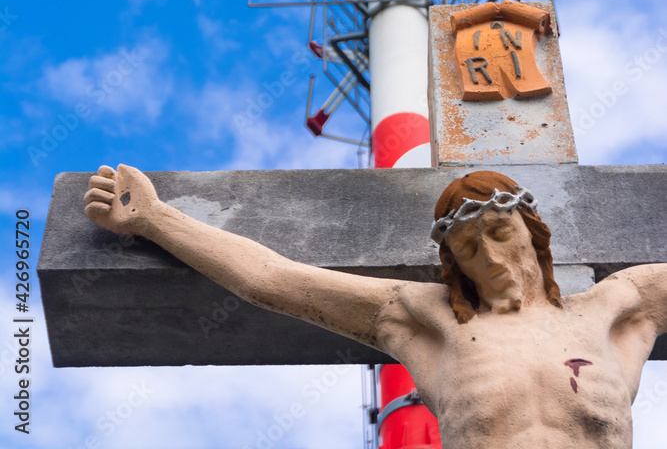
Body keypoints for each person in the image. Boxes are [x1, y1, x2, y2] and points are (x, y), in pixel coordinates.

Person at [84, 164, 667, 449]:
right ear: (452, 265)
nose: (488, 255)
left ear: (533, 229)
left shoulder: (617, 308)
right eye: (466, 247)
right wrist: (156, 220)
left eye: (499, 230)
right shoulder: (427, 319)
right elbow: (272, 279)